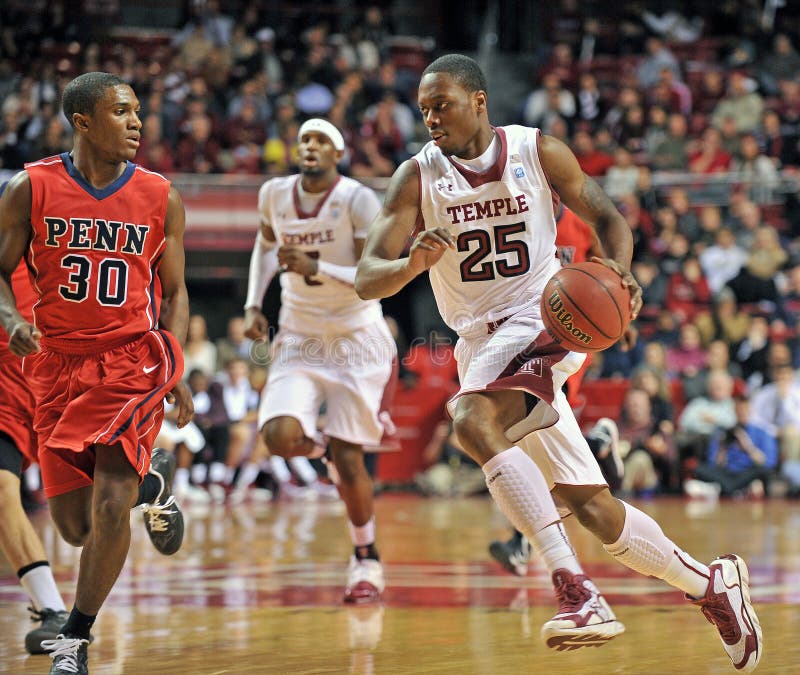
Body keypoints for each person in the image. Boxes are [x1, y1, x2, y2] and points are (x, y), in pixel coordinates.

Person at [355, 54, 761, 670]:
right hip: (478, 344)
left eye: (443, 104)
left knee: (469, 419)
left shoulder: (537, 151)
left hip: (550, 318)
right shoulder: (416, 177)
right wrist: (409, 265)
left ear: (479, 100)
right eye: (424, 109)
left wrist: (619, 270)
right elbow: (365, 278)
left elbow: (608, 217)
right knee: (596, 510)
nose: (432, 117)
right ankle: (712, 586)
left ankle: (576, 591)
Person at [0, 72, 194, 675]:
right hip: (53, 366)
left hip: (130, 360)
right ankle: (151, 486)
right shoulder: (30, 187)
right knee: (77, 529)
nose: (137, 122)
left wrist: (175, 359)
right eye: (121, 111)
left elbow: (177, 290)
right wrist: (9, 319)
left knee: (111, 501)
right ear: (82, 122)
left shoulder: (161, 195)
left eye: (138, 111)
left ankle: (74, 640)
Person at [244, 118, 396, 603]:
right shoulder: (273, 193)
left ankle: (365, 557)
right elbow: (266, 246)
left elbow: (374, 276)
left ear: (338, 153)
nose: (310, 146)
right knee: (278, 436)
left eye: (321, 141)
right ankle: (321, 449)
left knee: (352, 464)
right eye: (304, 138)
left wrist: (317, 267)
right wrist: (253, 303)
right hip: (300, 335)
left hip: (356, 336)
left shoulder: (356, 199)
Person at [0, 183, 70, 656]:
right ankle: (52, 610)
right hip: (14, 391)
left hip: (32, 383)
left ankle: (147, 485)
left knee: (80, 518)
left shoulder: (30, 255)